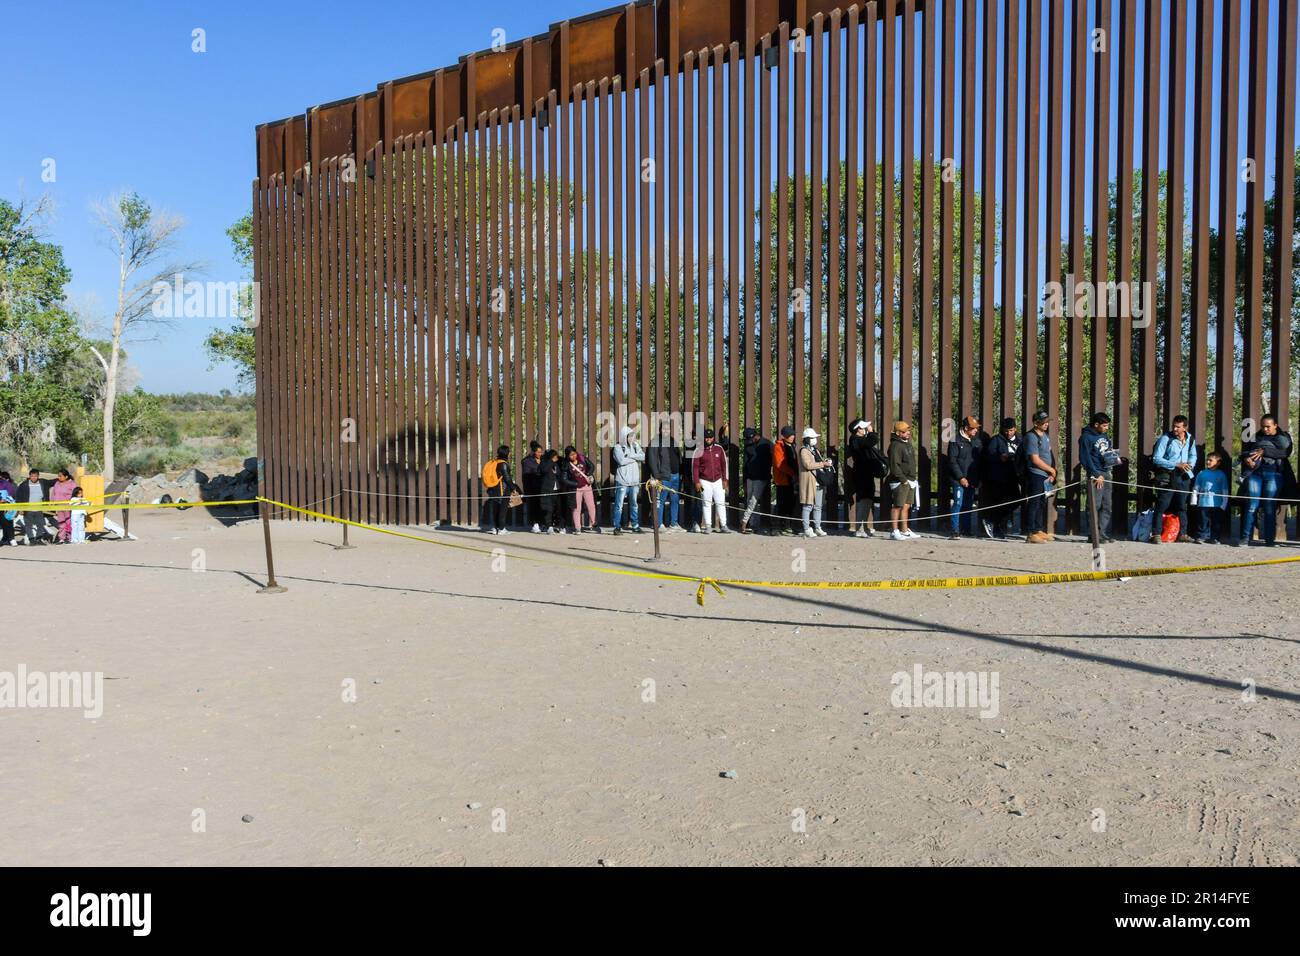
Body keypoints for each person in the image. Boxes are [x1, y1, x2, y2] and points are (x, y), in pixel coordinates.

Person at [1237, 414, 1295, 547]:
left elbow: (1284, 453)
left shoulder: (1284, 438)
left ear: (1275, 425)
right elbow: (1246, 452)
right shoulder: (1256, 437)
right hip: (1255, 473)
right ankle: (1246, 538)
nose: (1265, 429)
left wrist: (1265, 450)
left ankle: (1269, 540)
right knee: (1252, 505)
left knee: (1270, 506)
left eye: (1268, 427)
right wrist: (1247, 459)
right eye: (1263, 426)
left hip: (1274, 474)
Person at [1150, 415, 1197, 544]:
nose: (1175, 429)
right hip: (1168, 476)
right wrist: (1176, 464)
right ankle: (1156, 534)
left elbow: (1193, 455)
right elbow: (1156, 458)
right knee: (1162, 505)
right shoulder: (1165, 439)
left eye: (1178, 426)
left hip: (1184, 476)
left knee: (1182, 506)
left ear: (1185, 427)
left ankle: (1183, 533)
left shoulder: (1190, 439)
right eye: (1174, 426)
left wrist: (1189, 465)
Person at [1079, 412, 1122, 543]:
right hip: (1096, 473)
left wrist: (1113, 459)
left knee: (1107, 505)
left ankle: (1102, 533)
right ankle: (1093, 535)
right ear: (1096, 424)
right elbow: (1084, 458)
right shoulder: (1086, 437)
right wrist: (1095, 474)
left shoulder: (1104, 435)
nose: (1106, 428)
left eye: (1107, 425)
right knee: (1094, 505)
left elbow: (1106, 451)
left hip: (1106, 472)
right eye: (1104, 425)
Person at [944, 415, 982, 540]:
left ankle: (966, 529)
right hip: (958, 479)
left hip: (972, 479)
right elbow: (952, 461)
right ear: (966, 428)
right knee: (958, 503)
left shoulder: (976, 441)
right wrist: (960, 477)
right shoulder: (955, 440)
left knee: (968, 504)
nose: (976, 430)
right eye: (973, 428)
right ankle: (955, 530)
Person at [981, 419, 1021, 539]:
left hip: (1013, 477)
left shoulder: (1020, 440)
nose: (1009, 433)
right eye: (1007, 430)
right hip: (999, 478)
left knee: (1016, 501)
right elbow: (990, 456)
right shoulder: (996, 440)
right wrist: (1000, 457)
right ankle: (995, 527)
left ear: (1015, 429)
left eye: (1011, 430)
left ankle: (993, 522)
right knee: (999, 503)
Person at [1024, 411, 1057, 543]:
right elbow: (1035, 459)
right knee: (1034, 502)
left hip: (1045, 475)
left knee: (1042, 502)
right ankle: (1030, 532)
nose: (1046, 424)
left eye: (1047, 421)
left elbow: (1049, 454)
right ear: (1036, 423)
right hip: (1035, 473)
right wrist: (1050, 469)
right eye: (1043, 422)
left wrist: (1051, 472)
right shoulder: (1031, 437)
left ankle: (1038, 529)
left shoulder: (1045, 436)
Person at [844, 420, 880, 537]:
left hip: (867, 473)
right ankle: (859, 528)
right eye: (863, 427)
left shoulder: (860, 440)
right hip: (861, 475)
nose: (865, 429)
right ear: (857, 429)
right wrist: (871, 432)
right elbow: (872, 440)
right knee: (863, 500)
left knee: (868, 500)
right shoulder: (855, 440)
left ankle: (863, 527)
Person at [692, 427, 731, 533]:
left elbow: (724, 465)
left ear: (713, 438)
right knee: (706, 503)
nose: (708, 439)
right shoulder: (698, 450)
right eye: (706, 437)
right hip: (704, 480)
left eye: (710, 437)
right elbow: (695, 467)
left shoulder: (719, 449)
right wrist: (696, 482)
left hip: (718, 480)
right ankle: (708, 526)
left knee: (721, 503)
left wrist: (725, 479)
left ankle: (724, 525)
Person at [646, 420, 683, 532]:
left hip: (675, 475)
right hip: (663, 477)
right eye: (664, 429)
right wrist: (657, 476)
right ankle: (659, 524)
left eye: (668, 429)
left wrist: (680, 473)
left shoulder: (673, 441)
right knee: (660, 501)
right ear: (660, 430)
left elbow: (679, 456)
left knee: (675, 500)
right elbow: (651, 460)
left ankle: (674, 523)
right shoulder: (655, 442)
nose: (666, 430)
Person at [886, 421, 920, 541]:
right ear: (898, 433)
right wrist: (903, 480)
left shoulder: (907, 444)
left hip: (910, 480)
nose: (908, 433)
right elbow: (895, 465)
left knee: (906, 506)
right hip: (900, 481)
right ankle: (894, 531)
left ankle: (905, 530)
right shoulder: (895, 445)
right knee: (897, 506)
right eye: (905, 431)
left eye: (909, 431)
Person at [798, 427, 832, 537]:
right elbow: (808, 465)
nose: (814, 440)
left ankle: (818, 527)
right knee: (808, 506)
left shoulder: (815, 450)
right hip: (809, 482)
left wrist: (825, 462)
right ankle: (806, 528)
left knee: (818, 506)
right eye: (812, 438)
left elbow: (818, 462)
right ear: (807, 439)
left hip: (818, 481)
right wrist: (823, 464)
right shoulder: (804, 451)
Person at [739, 426, 773, 534]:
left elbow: (773, 460)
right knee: (749, 500)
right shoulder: (748, 445)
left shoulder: (767, 444)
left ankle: (744, 521)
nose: (748, 442)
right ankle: (752, 524)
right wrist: (745, 479)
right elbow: (745, 463)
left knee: (753, 500)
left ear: (755, 436)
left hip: (761, 477)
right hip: (750, 477)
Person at [611, 426, 645, 534]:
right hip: (622, 481)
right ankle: (617, 527)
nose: (631, 438)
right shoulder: (617, 447)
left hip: (634, 482)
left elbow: (643, 457)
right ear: (623, 436)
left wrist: (630, 455)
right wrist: (635, 458)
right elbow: (621, 461)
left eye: (632, 435)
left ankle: (635, 525)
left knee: (634, 504)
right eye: (629, 436)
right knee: (619, 505)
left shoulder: (635, 445)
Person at [1192, 451, 1231, 544]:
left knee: (1216, 522)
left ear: (1218, 463)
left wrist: (1224, 503)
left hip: (1217, 504)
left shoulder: (1221, 475)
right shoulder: (1201, 473)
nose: (1208, 462)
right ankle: (1201, 536)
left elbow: (1224, 490)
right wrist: (1194, 499)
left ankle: (1214, 538)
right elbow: (1196, 486)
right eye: (1207, 460)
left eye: (1210, 460)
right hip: (1203, 502)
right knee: (1203, 521)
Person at [480, 445, 520, 534]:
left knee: (496, 509)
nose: (510, 454)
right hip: (502, 490)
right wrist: (513, 488)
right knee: (503, 510)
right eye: (509, 452)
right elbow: (507, 478)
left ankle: (495, 528)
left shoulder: (495, 462)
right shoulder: (503, 464)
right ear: (506, 453)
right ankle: (501, 529)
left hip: (493, 489)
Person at [562, 445, 599, 534]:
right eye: (571, 455)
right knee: (576, 508)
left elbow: (591, 466)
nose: (573, 456)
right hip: (576, 489)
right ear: (567, 456)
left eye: (574, 454)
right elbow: (564, 479)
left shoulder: (582, 458)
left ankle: (594, 523)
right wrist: (576, 484)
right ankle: (577, 528)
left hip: (587, 486)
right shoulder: (566, 465)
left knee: (591, 505)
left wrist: (588, 474)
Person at [15, 468, 54, 545]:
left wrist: (67, 478)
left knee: (40, 524)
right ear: (29, 476)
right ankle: (31, 540)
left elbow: (53, 481)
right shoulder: (24, 485)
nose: (33, 478)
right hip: (27, 509)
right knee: (28, 525)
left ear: (38, 476)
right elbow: (18, 497)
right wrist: (20, 508)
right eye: (32, 476)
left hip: (39, 509)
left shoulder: (42, 483)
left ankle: (39, 539)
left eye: (35, 476)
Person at [772, 425, 799, 535]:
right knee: (782, 504)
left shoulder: (792, 446)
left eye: (793, 434)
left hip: (792, 480)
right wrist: (792, 473)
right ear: (784, 436)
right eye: (790, 435)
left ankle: (789, 526)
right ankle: (779, 526)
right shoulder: (778, 446)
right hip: (783, 480)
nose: (792, 436)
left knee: (791, 503)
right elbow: (779, 464)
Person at [536, 449, 565, 534]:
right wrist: (551, 462)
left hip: (556, 489)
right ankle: (549, 526)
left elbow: (559, 474)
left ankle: (558, 525)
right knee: (548, 508)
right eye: (555, 456)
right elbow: (543, 470)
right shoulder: (544, 463)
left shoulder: (556, 464)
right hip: (547, 489)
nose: (556, 458)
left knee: (557, 508)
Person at [521, 441, 546, 533]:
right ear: (533, 451)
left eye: (541, 452)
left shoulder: (544, 459)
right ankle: (534, 524)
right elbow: (526, 477)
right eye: (538, 452)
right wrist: (527, 490)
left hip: (543, 487)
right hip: (532, 487)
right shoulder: (527, 461)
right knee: (533, 506)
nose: (540, 454)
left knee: (542, 505)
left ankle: (542, 523)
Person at [51, 468, 76, 543]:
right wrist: (52, 502)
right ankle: (62, 538)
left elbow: (75, 494)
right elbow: (53, 493)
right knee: (61, 522)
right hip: (59, 506)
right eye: (58, 476)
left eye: (60, 476)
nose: (59, 477)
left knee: (69, 522)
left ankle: (70, 537)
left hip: (68, 506)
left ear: (66, 477)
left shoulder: (72, 484)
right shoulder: (57, 483)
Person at [0, 471, 17, 547]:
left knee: (8, 522)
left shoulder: (6, 484)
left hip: (5, 507)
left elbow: (11, 494)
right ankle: (4, 539)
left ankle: (11, 539)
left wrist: (4, 499)